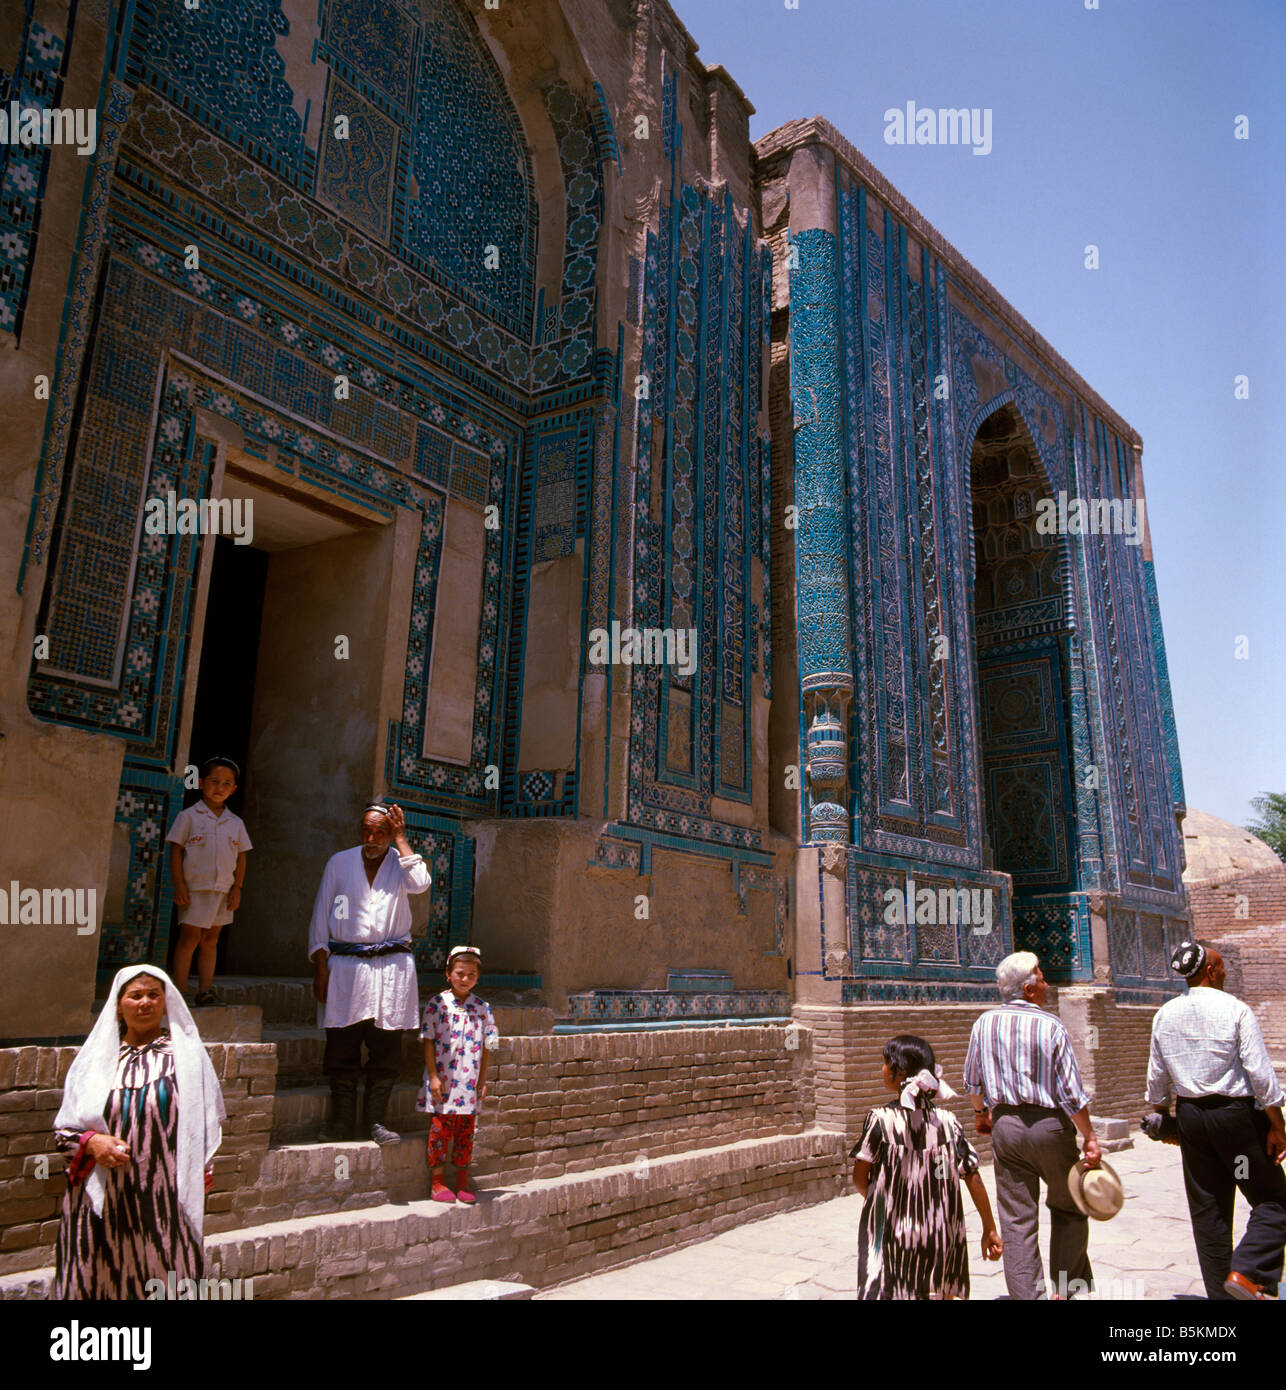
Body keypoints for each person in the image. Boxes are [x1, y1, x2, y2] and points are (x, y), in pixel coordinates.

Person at [53, 966, 225, 1299]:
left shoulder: (187, 1060)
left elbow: (204, 1128)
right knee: (100, 1276)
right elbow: (64, 1130)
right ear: (119, 1006)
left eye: (153, 995)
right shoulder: (94, 1061)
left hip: (164, 1197)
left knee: (166, 1270)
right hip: (104, 1196)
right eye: (135, 995)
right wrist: (92, 1143)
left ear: (166, 1002)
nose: (144, 1003)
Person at [1148, 940, 1286, 1300]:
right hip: (1236, 1119)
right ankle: (1248, 1271)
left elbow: (1157, 1078)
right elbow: (1259, 1074)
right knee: (1274, 1199)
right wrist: (1278, 1125)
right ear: (1210, 971)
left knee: (1208, 1211)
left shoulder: (1165, 1014)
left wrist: (1166, 1120)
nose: (1225, 972)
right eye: (1221, 967)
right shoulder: (1235, 1009)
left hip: (1192, 1118)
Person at [963, 950, 1102, 1299]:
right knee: (1070, 1205)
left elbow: (972, 1082)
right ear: (1028, 989)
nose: (1047, 983)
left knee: (1016, 1220)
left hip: (1006, 1126)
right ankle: (1066, 1290)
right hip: (1050, 1128)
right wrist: (1089, 1136)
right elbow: (1070, 1092)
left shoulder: (983, 1024)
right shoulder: (1051, 1026)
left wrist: (982, 1114)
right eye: (1041, 977)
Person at [309, 801, 430, 1145]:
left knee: (386, 1049)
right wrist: (321, 969)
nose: (372, 838)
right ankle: (341, 1123)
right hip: (345, 968)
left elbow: (421, 883)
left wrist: (402, 840)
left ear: (391, 833)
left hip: (392, 969)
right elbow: (321, 917)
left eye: (381, 832)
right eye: (367, 830)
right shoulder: (340, 862)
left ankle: (376, 1121)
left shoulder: (400, 863)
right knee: (341, 1049)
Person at [851, 1034, 1003, 1299]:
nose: (882, 1069)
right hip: (939, 1235)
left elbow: (859, 1178)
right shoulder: (947, 1123)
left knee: (889, 1289)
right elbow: (973, 1177)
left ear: (900, 1074)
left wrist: (882, 1203)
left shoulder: (880, 1121)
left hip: (891, 1235)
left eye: (886, 1063)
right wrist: (990, 1227)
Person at [166, 756, 252, 1007]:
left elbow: (242, 856)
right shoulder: (189, 816)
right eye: (214, 781)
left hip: (222, 890)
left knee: (211, 940)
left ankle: (205, 990)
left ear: (234, 789)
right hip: (195, 889)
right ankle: (180, 992)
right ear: (201, 783)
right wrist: (179, 884)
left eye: (227, 783)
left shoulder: (235, 823)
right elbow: (175, 850)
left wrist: (237, 887)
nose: (220, 787)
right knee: (189, 938)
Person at [418, 946, 499, 1204]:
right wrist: (433, 1075)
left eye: (471, 974)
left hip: (469, 1085)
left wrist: (483, 1080)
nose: (465, 979)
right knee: (440, 1131)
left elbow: (488, 1046)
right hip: (443, 1082)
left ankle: (462, 1182)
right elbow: (428, 1040)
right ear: (448, 974)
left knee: (466, 1132)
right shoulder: (437, 1004)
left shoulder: (483, 1008)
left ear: (478, 977)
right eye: (460, 973)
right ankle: (438, 1182)